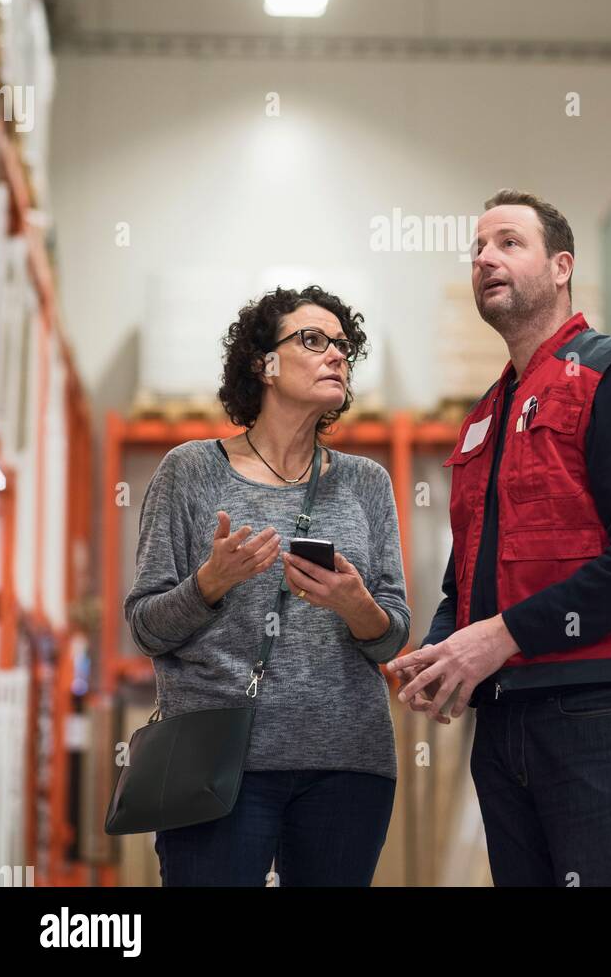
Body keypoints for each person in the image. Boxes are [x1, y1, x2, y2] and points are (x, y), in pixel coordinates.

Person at [389, 189, 611, 887]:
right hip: (507, 720)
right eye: (476, 250)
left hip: (608, 715)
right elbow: (471, 575)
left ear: (561, 267)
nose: (484, 258)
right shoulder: (485, 417)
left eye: (507, 243)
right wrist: (444, 649)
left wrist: (501, 636)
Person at [124, 284, 410, 887]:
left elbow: (391, 639)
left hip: (346, 762)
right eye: (313, 340)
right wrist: (210, 583)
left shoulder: (367, 483)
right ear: (264, 364)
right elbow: (147, 628)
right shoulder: (191, 471)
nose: (336, 354)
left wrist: (356, 605)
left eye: (343, 344)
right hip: (216, 761)